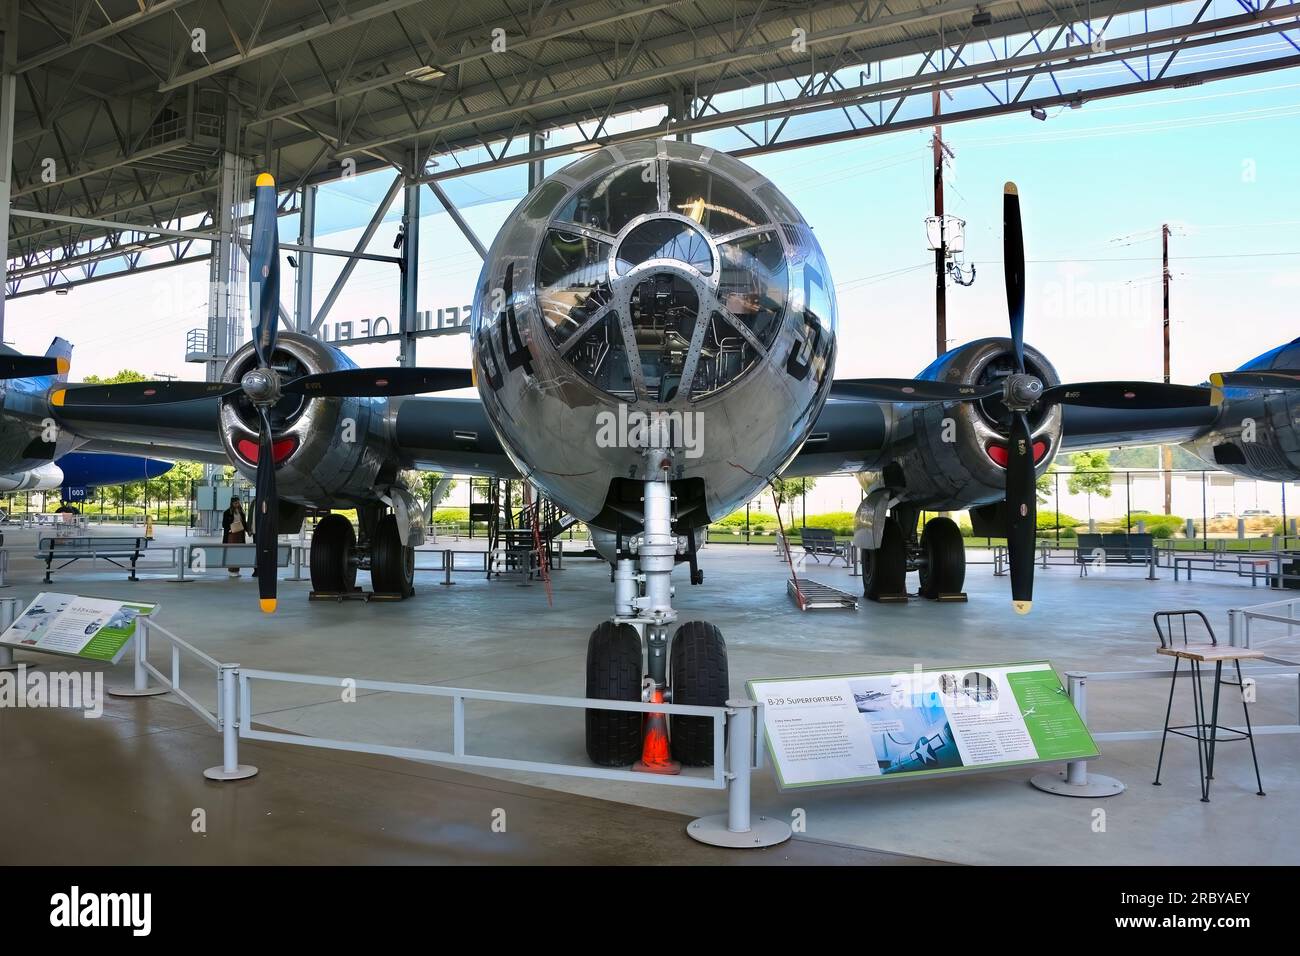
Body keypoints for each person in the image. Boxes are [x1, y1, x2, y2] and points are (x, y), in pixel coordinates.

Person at [222, 496, 247, 576]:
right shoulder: (227, 512)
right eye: (235, 503)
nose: (237, 504)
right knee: (231, 552)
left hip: (240, 534)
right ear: (232, 503)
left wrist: (248, 530)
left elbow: (244, 523)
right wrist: (232, 527)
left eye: (238, 502)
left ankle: (236, 570)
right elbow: (224, 525)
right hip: (231, 535)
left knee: (238, 552)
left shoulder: (241, 512)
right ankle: (231, 571)